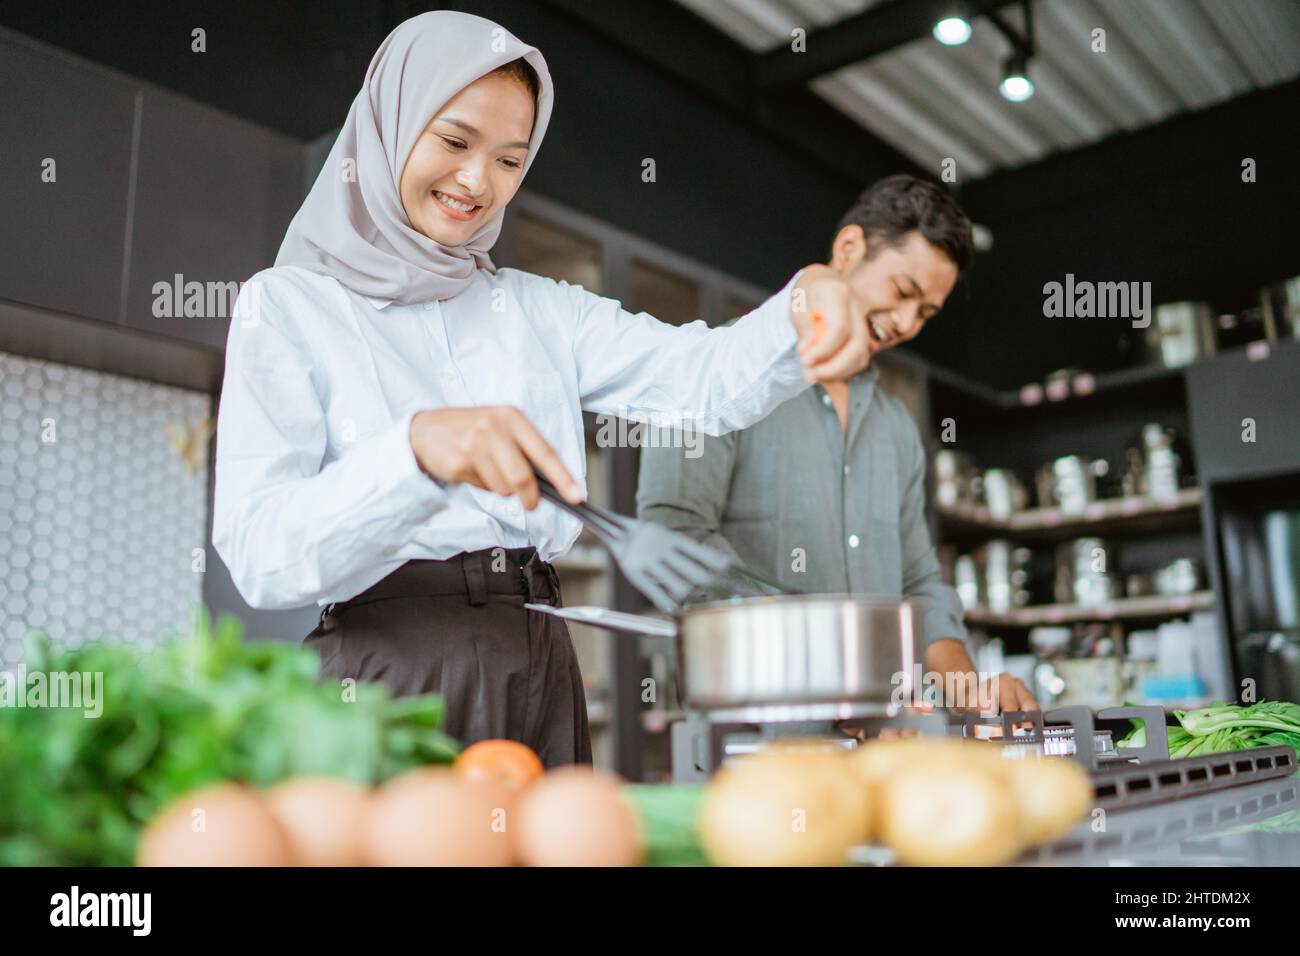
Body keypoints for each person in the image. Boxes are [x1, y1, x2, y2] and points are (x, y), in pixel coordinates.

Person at [212, 11, 878, 767]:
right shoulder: (292, 304)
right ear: (390, 123)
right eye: (455, 141)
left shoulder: (537, 309)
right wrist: (416, 451)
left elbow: (705, 381)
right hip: (388, 672)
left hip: (541, 652)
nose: (477, 182)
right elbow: (262, 554)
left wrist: (804, 304)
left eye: (509, 160)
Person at [637, 175, 1038, 716]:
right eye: (903, 293)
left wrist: (966, 684)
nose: (903, 323)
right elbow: (674, 537)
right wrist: (824, 658)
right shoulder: (716, 373)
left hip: (884, 733)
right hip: (758, 732)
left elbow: (919, 581)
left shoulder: (896, 428)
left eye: (924, 314)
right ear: (849, 249)